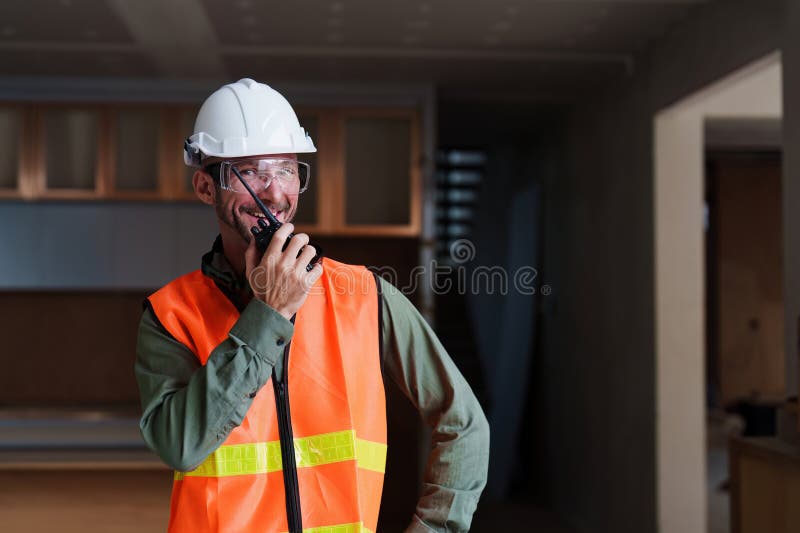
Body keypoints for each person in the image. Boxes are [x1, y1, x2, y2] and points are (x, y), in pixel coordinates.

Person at [135, 78, 489, 533]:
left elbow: (464, 423)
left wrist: (434, 528)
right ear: (206, 187)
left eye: (285, 169)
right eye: (253, 171)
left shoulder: (365, 295)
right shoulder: (171, 315)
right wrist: (268, 314)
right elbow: (180, 446)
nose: (275, 192)